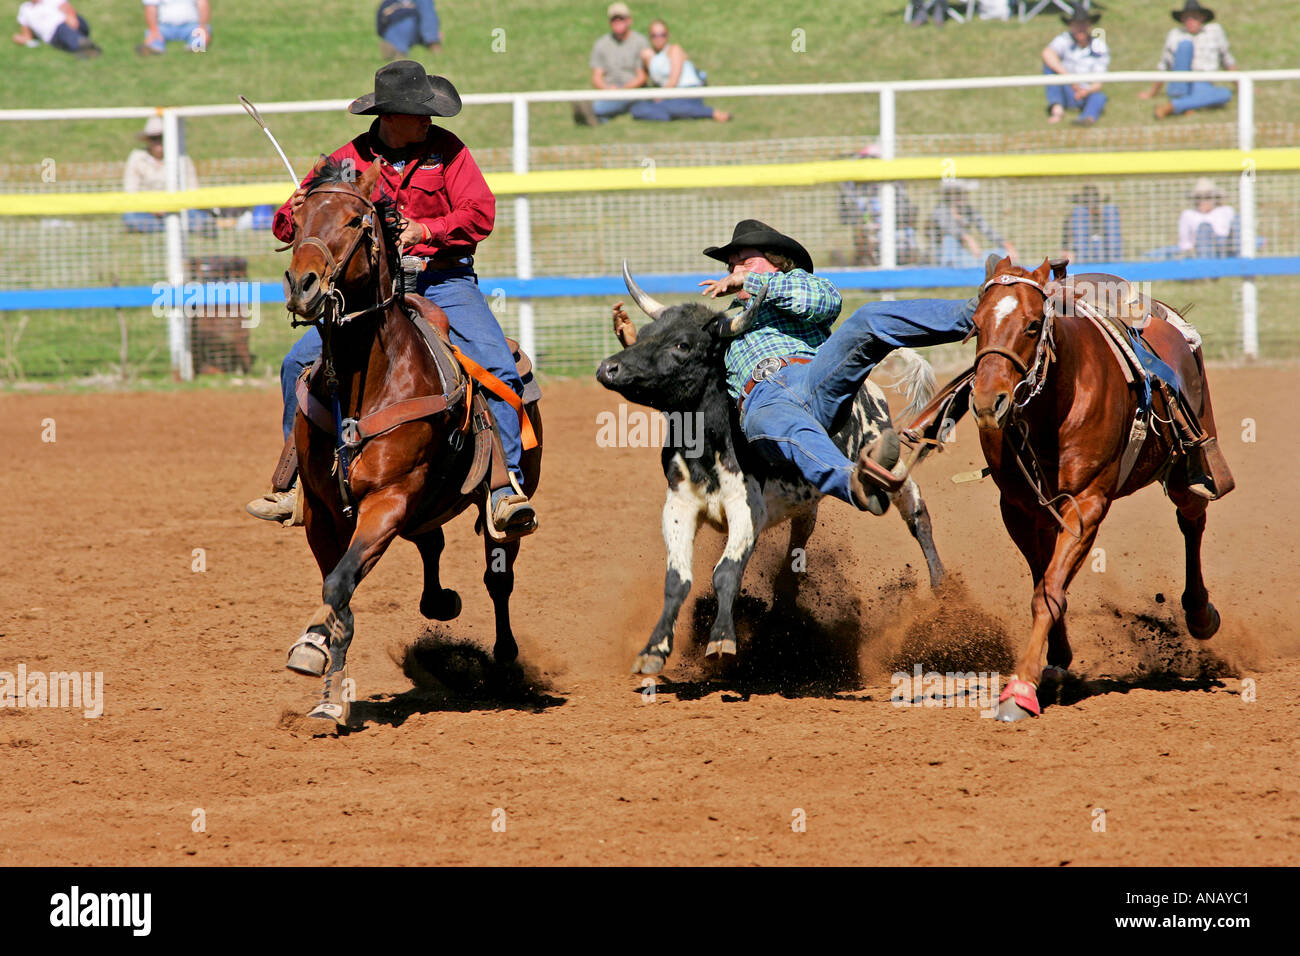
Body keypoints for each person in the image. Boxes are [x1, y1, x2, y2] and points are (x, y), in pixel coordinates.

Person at [245, 61, 537, 539]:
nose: (429, 120)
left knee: (497, 366)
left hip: (444, 281)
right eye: (418, 112)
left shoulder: (448, 152)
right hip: (372, 294)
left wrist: (429, 229)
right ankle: (294, 483)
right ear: (388, 116)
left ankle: (504, 489)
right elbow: (288, 223)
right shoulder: (344, 162)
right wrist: (294, 213)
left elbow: (479, 213)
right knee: (295, 365)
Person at [679, 220, 982, 515]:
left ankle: (979, 313)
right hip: (762, 401)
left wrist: (753, 282)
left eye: (745, 262)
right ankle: (856, 483)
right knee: (788, 428)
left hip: (813, 378)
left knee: (867, 319)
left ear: (776, 263)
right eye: (732, 266)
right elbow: (680, 366)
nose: (736, 271)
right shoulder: (720, 323)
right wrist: (632, 340)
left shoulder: (799, 284)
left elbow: (824, 302)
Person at [1138, 1, 1236, 119]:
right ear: (1182, 20)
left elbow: (1227, 62)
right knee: (1185, 45)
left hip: (1203, 82)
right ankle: (1186, 103)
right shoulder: (1175, 34)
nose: (1190, 21)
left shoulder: (1214, 32)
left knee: (1225, 94)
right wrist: (1152, 92)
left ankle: (1173, 106)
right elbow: (1164, 66)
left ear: (1202, 17)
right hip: (1180, 81)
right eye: (1186, 18)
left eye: (1194, 17)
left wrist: (1241, 86)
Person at [122, 116, 209, 234]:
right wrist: (152, 208)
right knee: (130, 218)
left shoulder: (182, 158)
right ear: (147, 140)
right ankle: (177, 229)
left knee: (201, 218)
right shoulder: (137, 158)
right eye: (154, 138)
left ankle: (171, 228)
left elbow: (193, 190)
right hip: (147, 211)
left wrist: (175, 206)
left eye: (162, 138)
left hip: (180, 209)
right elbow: (131, 191)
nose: (159, 142)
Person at [635, 19, 729, 122]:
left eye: (662, 35)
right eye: (654, 35)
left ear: (668, 35)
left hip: (688, 90)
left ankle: (711, 113)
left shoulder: (674, 49)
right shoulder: (648, 56)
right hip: (670, 95)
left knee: (671, 106)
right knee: (638, 109)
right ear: (650, 37)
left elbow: (673, 81)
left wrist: (660, 95)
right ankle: (669, 113)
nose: (659, 39)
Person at [573, 3, 650, 126]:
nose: (617, 22)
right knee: (609, 101)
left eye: (621, 19)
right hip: (610, 91)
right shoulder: (601, 44)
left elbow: (642, 76)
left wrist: (623, 90)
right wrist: (608, 89)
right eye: (614, 19)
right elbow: (597, 77)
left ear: (629, 21)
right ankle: (597, 116)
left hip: (633, 89)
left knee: (618, 102)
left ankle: (593, 112)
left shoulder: (640, 42)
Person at [1041, 3, 1108, 127]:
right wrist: (1071, 80)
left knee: (1099, 97)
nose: (1080, 28)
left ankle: (1087, 118)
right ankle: (1057, 109)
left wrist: (1085, 91)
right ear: (1071, 26)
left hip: (1086, 91)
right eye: (1076, 25)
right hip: (1067, 87)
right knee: (1050, 69)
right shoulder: (1064, 39)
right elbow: (1047, 53)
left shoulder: (1099, 46)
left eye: (1083, 24)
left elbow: (1098, 83)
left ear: (1089, 25)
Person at [927, 179, 1017, 269]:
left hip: (964, 257)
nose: (962, 196)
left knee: (1004, 255)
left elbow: (986, 229)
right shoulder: (939, 211)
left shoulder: (967, 210)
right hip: (944, 258)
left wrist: (1006, 245)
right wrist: (969, 240)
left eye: (963, 193)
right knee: (949, 239)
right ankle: (950, 269)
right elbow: (951, 229)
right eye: (958, 193)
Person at [12, 0, 99, 57]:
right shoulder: (25, 9)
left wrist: (71, 17)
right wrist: (20, 39)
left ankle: (83, 45)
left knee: (65, 27)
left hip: (68, 23)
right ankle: (84, 46)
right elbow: (26, 34)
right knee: (62, 30)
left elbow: (69, 10)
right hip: (53, 34)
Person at [1060, 184, 1122, 263]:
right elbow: (1066, 244)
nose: (1092, 205)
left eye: (1095, 201)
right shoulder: (1075, 219)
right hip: (1082, 259)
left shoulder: (1105, 219)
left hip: (1104, 258)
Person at [136, 0, 210, 56]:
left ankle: (196, 46)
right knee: (150, 33)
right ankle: (154, 48)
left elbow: (203, 4)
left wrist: (202, 27)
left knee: (202, 32)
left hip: (190, 25)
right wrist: (153, 30)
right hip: (164, 26)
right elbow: (150, 8)